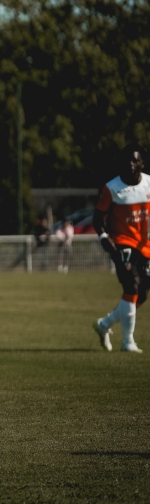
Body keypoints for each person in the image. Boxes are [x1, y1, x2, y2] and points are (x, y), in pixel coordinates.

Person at [92, 144, 150, 354]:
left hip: (145, 246)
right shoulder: (112, 188)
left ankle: (105, 324)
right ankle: (128, 342)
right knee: (132, 285)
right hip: (122, 243)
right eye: (127, 160)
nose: (131, 164)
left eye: (135, 160)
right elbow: (97, 218)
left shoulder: (149, 184)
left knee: (141, 295)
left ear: (142, 164)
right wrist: (104, 237)